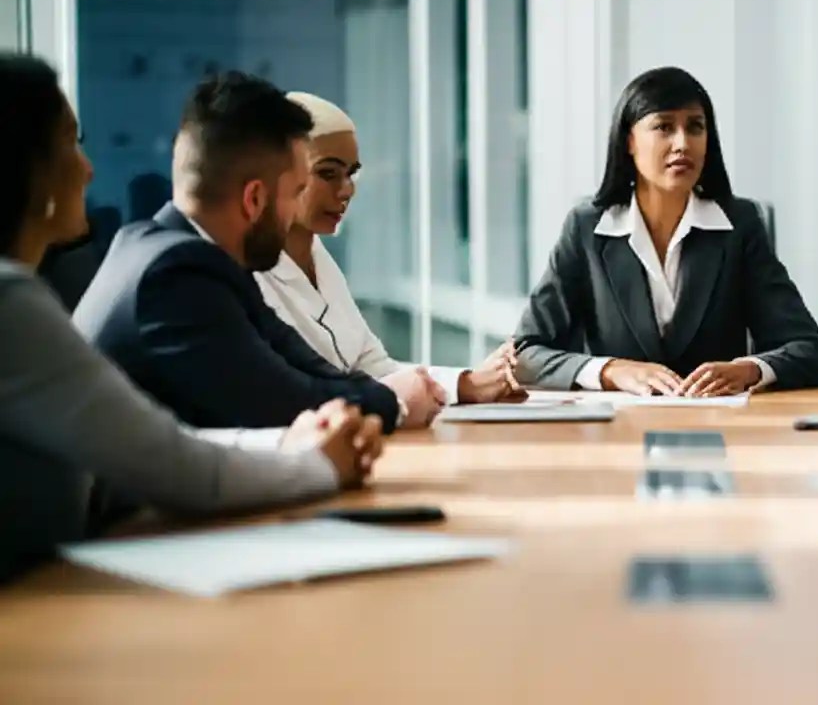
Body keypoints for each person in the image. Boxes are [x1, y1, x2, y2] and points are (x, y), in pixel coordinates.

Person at [0, 54, 383, 581]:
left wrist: (284, 445)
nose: (88, 168)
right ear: (23, 169)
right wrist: (318, 463)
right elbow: (171, 464)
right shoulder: (10, 303)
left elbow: (140, 452)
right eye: (69, 143)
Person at [73, 71, 442, 433]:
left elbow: (300, 362)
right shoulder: (175, 277)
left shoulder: (193, 256)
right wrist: (395, 403)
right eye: (297, 192)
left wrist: (386, 392)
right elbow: (283, 401)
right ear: (254, 199)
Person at [514, 66, 818, 396]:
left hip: (722, 429)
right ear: (629, 142)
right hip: (616, 432)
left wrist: (748, 370)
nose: (682, 143)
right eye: (663, 127)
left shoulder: (739, 225)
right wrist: (611, 371)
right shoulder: (586, 229)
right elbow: (524, 355)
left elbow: (809, 349)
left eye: (695, 127)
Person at [254, 92, 523, 405]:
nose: (347, 190)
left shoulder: (319, 260)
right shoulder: (247, 272)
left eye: (351, 173)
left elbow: (375, 368)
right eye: (327, 173)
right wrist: (465, 385)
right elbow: (303, 389)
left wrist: (467, 382)